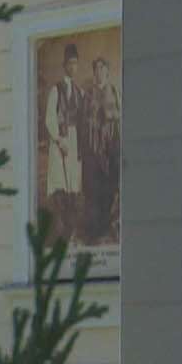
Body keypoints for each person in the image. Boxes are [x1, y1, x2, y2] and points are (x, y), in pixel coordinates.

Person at [42, 42, 88, 245]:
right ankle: (59, 236)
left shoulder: (79, 92)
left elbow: (83, 119)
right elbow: (50, 118)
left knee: (73, 189)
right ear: (64, 65)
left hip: (75, 140)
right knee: (60, 188)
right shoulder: (56, 89)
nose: (73, 67)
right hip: (60, 140)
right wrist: (60, 141)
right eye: (69, 63)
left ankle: (71, 234)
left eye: (75, 63)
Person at [83, 56, 121, 245]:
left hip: (111, 144)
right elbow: (85, 119)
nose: (99, 72)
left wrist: (109, 116)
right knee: (93, 189)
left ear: (107, 71)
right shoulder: (89, 93)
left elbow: (119, 115)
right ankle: (94, 229)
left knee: (109, 186)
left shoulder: (113, 90)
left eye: (102, 68)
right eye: (96, 68)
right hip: (93, 147)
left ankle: (107, 225)